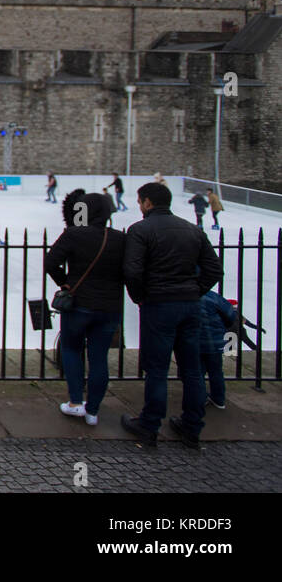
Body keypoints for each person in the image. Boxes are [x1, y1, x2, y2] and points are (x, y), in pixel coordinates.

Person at [120, 182, 222, 447]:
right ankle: (192, 426)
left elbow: (131, 271)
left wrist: (141, 297)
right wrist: (194, 291)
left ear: (148, 203)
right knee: (192, 370)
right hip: (190, 306)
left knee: (157, 368)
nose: (139, 206)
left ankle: (149, 424)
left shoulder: (140, 230)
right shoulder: (192, 230)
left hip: (159, 306)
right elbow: (214, 270)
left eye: (140, 201)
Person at [45, 192, 126, 426]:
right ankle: (93, 411)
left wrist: (65, 283)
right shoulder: (119, 238)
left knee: (71, 349)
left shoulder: (74, 234)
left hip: (79, 304)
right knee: (99, 357)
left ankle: (75, 402)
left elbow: (51, 262)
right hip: (109, 306)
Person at [200, 290, 237, 410]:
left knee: (196, 372)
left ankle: (200, 398)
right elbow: (230, 314)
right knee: (216, 371)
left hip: (194, 342)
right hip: (215, 342)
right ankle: (219, 399)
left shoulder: (185, 298)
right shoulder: (212, 297)